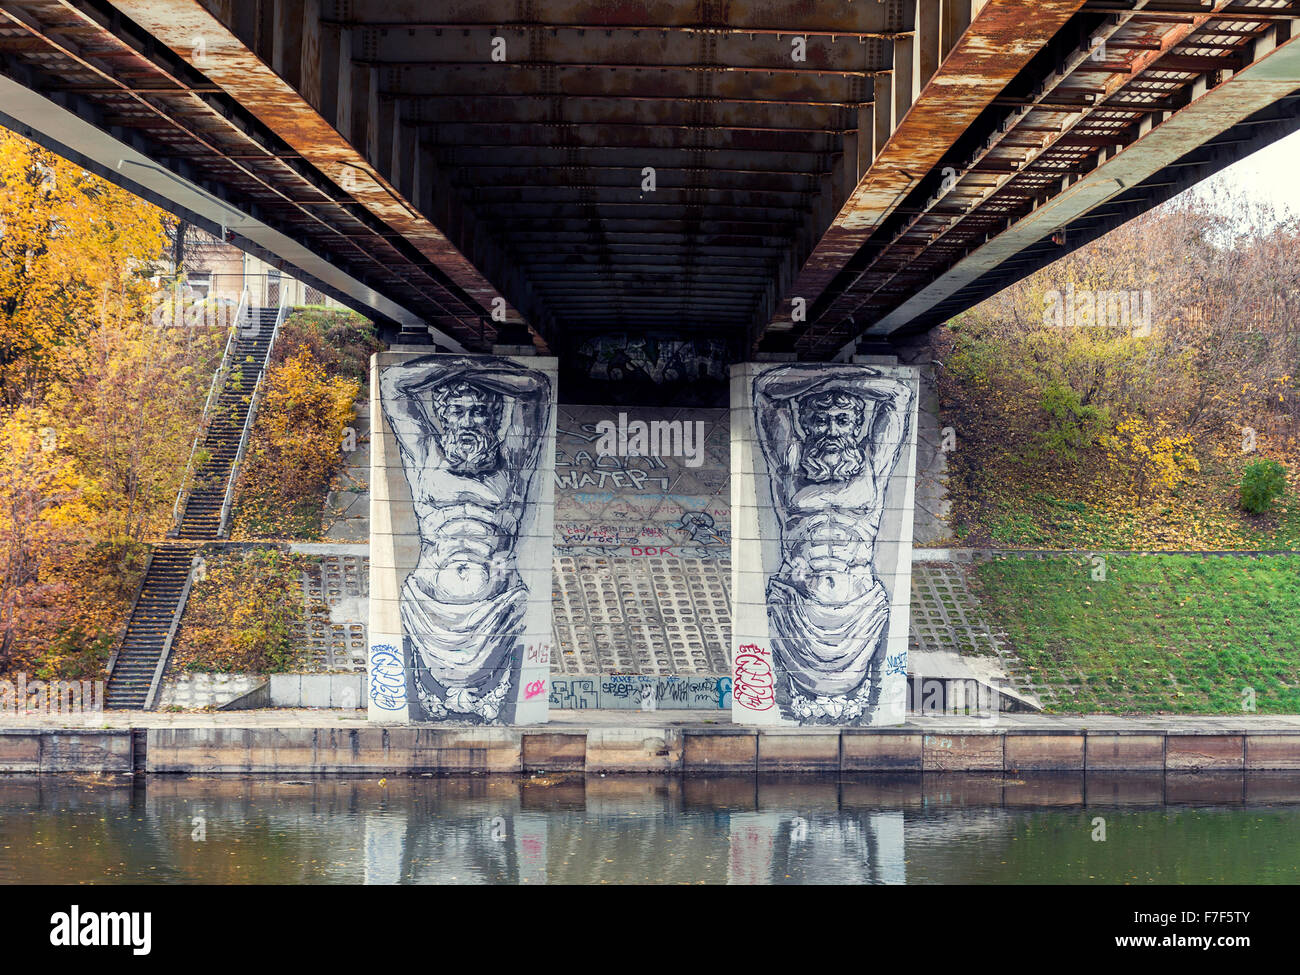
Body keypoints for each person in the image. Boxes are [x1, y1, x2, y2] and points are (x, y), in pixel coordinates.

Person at [379, 355, 551, 722]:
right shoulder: (424, 455)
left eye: (478, 413)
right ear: (443, 417)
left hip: (495, 605)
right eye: (457, 412)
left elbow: (535, 389)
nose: (468, 422)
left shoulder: (513, 464)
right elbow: (393, 382)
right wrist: (458, 364)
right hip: (430, 604)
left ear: (494, 419)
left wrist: (471, 371)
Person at [752, 364, 912, 723]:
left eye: (842, 420)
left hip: (860, 609)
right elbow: (765, 389)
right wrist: (827, 377)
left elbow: (899, 396)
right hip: (799, 605)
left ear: (857, 426)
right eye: (821, 420)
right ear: (806, 424)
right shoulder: (790, 465)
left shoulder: (873, 466)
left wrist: (839, 379)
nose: (832, 430)